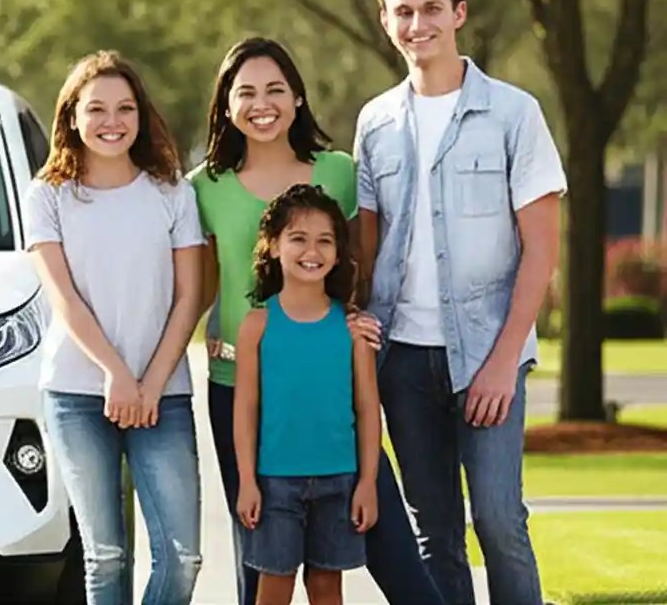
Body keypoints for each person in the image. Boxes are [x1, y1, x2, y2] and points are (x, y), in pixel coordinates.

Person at [189, 36, 445, 605]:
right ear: (226, 106)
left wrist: (357, 320)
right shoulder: (203, 186)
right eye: (247, 92)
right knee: (260, 568)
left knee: (392, 552)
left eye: (276, 89)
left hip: (332, 386)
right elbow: (201, 285)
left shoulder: (338, 171)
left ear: (298, 98)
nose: (263, 103)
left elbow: (360, 262)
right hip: (241, 387)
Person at [355, 0, 566, 605]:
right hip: (402, 356)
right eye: (404, 12)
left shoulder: (513, 113)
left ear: (459, 14)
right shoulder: (375, 123)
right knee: (434, 531)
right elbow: (368, 246)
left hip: (487, 354)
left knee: (500, 521)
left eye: (431, 9)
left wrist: (503, 363)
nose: (419, 24)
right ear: (386, 21)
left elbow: (541, 250)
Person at [24, 50, 205, 605]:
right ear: (71, 117)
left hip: (164, 397)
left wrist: (148, 384)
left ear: (141, 116)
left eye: (125, 108)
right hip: (77, 396)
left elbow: (189, 296)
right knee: (105, 558)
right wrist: (116, 375)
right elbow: (65, 298)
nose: (112, 121)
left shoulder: (172, 191)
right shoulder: (47, 196)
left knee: (182, 558)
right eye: (97, 108)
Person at [233, 184, 381, 605]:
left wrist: (367, 482)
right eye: (298, 238)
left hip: (339, 480)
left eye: (324, 240)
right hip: (275, 482)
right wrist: (248, 481)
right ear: (274, 246)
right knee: (274, 587)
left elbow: (368, 409)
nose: (311, 250)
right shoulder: (256, 326)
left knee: (325, 587)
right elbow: (245, 409)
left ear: (337, 252)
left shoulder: (352, 328)